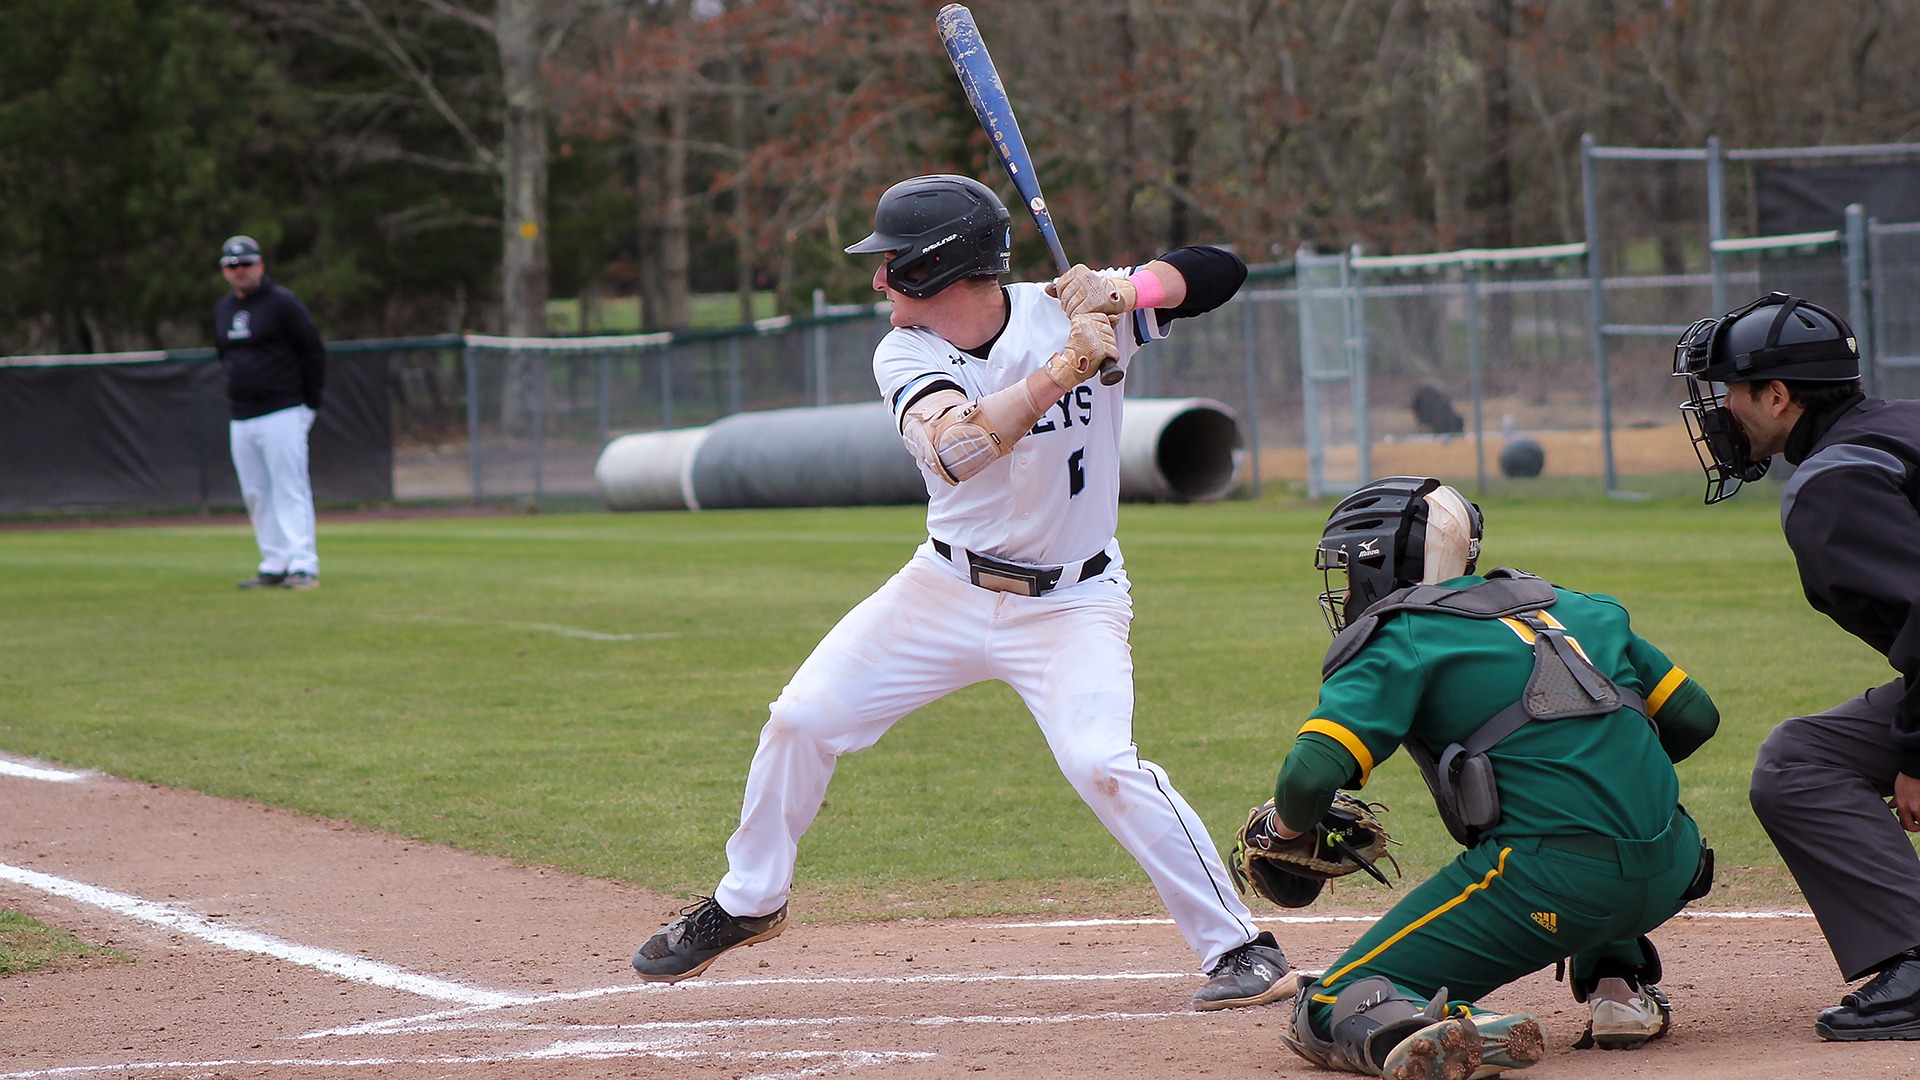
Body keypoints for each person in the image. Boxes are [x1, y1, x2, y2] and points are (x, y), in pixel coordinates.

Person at [631, 173, 1289, 1010]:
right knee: (800, 718)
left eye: (892, 263)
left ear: (940, 269)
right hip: (946, 588)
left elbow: (1221, 269)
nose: (878, 280)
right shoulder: (905, 351)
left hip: (1072, 602)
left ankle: (1238, 948)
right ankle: (749, 900)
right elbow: (956, 451)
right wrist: (1064, 368)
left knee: (1102, 762)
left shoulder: (1070, 306)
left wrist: (1123, 289)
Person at [1267, 476, 1719, 1079]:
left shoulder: (1400, 633)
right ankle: (1620, 990)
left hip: (1551, 886)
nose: (1345, 588)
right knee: (1597, 816)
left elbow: (1310, 774)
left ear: (1381, 568)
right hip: (1675, 864)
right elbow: (1697, 718)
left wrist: (1285, 828)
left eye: (1350, 570)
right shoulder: (1581, 606)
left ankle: (1451, 1024)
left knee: (1326, 1006)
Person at [1674, 292, 1920, 1041]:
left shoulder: (1833, 484)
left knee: (1800, 762)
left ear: (1777, 397)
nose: (1720, 414)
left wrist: (1916, 752)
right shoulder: (1902, 422)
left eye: (1731, 392)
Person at [213, 235, 326, 590]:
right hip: (242, 414)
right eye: (232, 266)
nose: (239, 271)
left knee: (289, 487)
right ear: (224, 271)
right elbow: (226, 357)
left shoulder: (282, 304)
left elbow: (313, 351)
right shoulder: (224, 309)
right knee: (256, 492)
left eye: (245, 264)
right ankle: (274, 562)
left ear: (260, 266)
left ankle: (303, 564)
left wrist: (309, 404)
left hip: (283, 409)